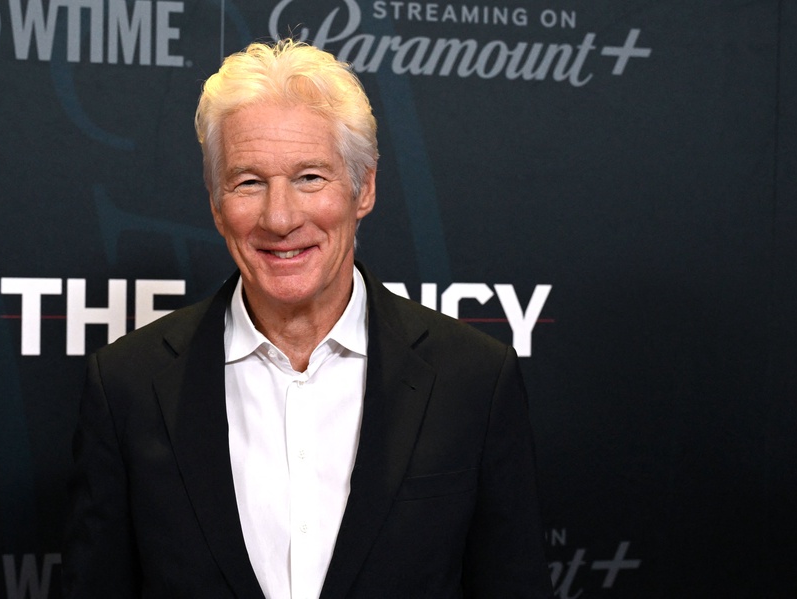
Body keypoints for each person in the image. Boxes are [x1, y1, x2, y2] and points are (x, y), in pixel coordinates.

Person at [63, 38, 552, 599]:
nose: (279, 218)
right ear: (216, 203)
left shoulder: (474, 380)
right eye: (249, 182)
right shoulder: (126, 385)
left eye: (310, 178)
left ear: (364, 188)